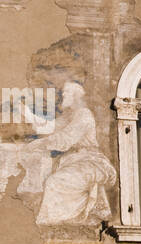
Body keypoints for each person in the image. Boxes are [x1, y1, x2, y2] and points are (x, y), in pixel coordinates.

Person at [22, 82, 116, 226]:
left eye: (66, 92)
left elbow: (65, 139)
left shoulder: (84, 115)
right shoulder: (69, 116)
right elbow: (48, 127)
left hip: (89, 162)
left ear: (76, 96)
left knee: (54, 182)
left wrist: (39, 144)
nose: (62, 95)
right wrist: (26, 113)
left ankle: (55, 224)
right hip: (74, 161)